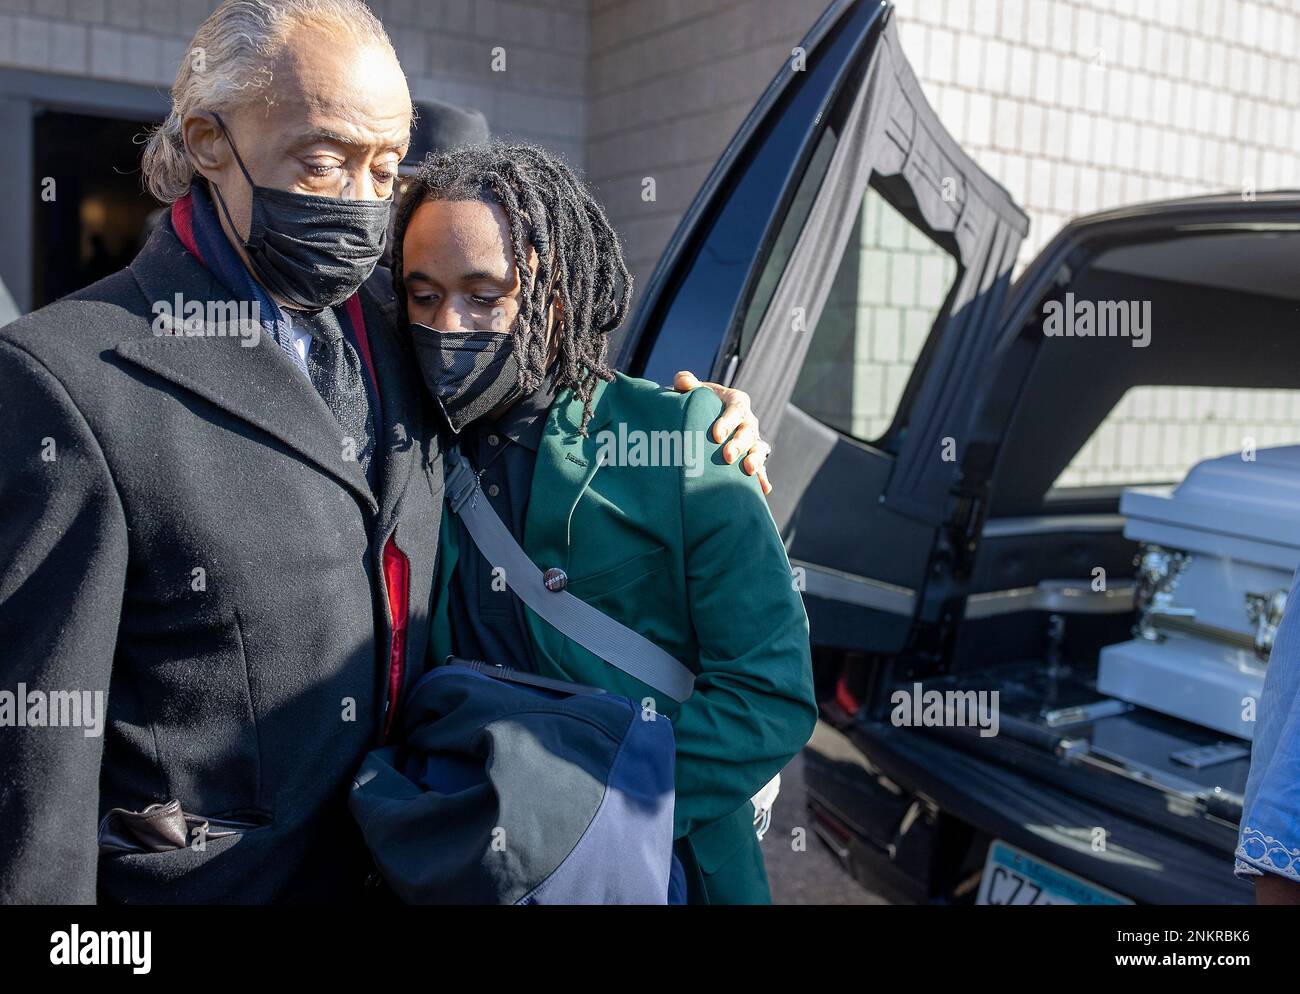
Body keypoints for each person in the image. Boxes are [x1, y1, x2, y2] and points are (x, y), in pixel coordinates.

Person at [0, 0, 769, 904]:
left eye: (387, 167)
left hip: (415, 871)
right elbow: (34, 776)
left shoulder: (403, 328)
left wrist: (703, 429)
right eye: (326, 161)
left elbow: (546, 401)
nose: (364, 201)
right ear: (209, 140)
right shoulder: (67, 379)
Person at [398, 140, 817, 904]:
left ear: (554, 300)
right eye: (422, 297)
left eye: (483, 296)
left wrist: (590, 813)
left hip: (654, 867)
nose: (448, 326)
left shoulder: (683, 438)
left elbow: (770, 695)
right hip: (469, 866)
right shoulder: (407, 444)